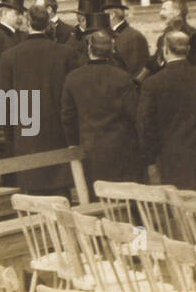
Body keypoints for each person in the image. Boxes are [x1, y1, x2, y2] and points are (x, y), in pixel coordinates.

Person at [0, 2, 76, 195]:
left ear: (27, 22)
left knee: (32, 190)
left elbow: (4, 100)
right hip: (57, 128)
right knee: (60, 190)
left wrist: (10, 133)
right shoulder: (65, 53)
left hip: (26, 130)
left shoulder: (9, 56)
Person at [137, 30, 196, 190]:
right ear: (188, 50)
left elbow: (145, 125)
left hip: (171, 159)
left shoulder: (152, 84)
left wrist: (150, 160)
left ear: (165, 50)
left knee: (179, 209)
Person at [60, 30, 144, 191]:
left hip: (90, 149)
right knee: (127, 199)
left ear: (90, 49)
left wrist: (73, 143)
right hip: (122, 148)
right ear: (111, 51)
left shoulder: (73, 78)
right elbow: (135, 114)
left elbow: (67, 116)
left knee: (97, 198)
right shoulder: (123, 78)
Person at [103, 0, 151, 82]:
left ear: (112, 15)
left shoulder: (134, 37)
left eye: (103, 14)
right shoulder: (106, 34)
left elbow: (139, 71)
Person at [152, 0, 196, 70]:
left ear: (177, 12)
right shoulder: (163, 37)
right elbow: (156, 62)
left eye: (164, 9)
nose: (160, 13)